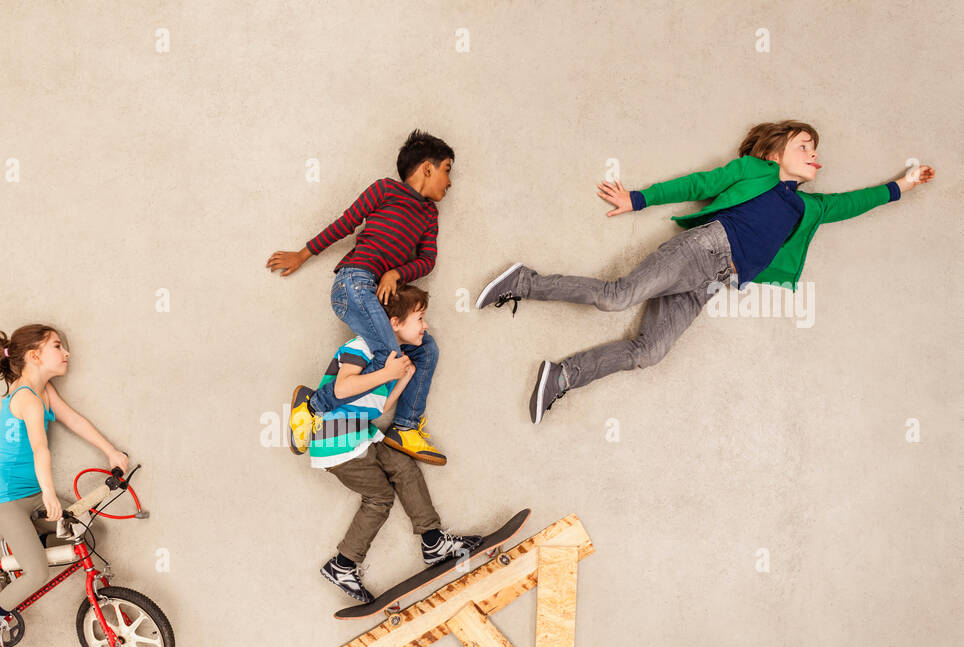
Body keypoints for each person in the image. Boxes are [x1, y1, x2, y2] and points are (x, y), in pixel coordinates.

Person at [474, 121, 935, 422]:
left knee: (650, 352)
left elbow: (854, 203)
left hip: (716, 280)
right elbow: (698, 183)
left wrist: (905, 185)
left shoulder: (809, 207)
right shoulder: (756, 172)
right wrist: (638, 198)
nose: (816, 155)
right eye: (805, 147)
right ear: (776, 154)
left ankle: (562, 375)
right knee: (617, 297)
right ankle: (523, 281)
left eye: (817, 151)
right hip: (701, 250)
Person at [268, 129, 454, 465]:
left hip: (384, 298)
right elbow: (345, 224)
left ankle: (405, 426)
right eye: (447, 169)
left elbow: (428, 260)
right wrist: (302, 254)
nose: (450, 181)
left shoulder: (430, 215)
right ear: (427, 168)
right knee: (389, 357)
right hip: (353, 284)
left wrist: (397, 273)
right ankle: (312, 407)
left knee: (426, 348)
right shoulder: (384, 190)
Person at [0, 324, 129, 647]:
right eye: (57, 346)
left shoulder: (43, 390)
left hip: (30, 493)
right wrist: (49, 492)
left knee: (76, 527)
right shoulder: (25, 398)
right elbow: (39, 449)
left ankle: (18, 549)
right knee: (36, 573)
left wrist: (111, 452)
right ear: (35, 356)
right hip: (6, 496)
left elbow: (74, 420)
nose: (66, 354)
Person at [293, 285, 479, 603]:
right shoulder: (361, 346)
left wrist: (403, 377)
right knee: (379, 498)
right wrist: (389, 373)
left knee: (405, 467)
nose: (426, 325)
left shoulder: (392, 360)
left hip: (361, 436)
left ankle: (433, 542)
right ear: (394, 323)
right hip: (336, 443)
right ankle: (343, 564)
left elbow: (378, 408)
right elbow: (342, 388)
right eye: (419, 317)